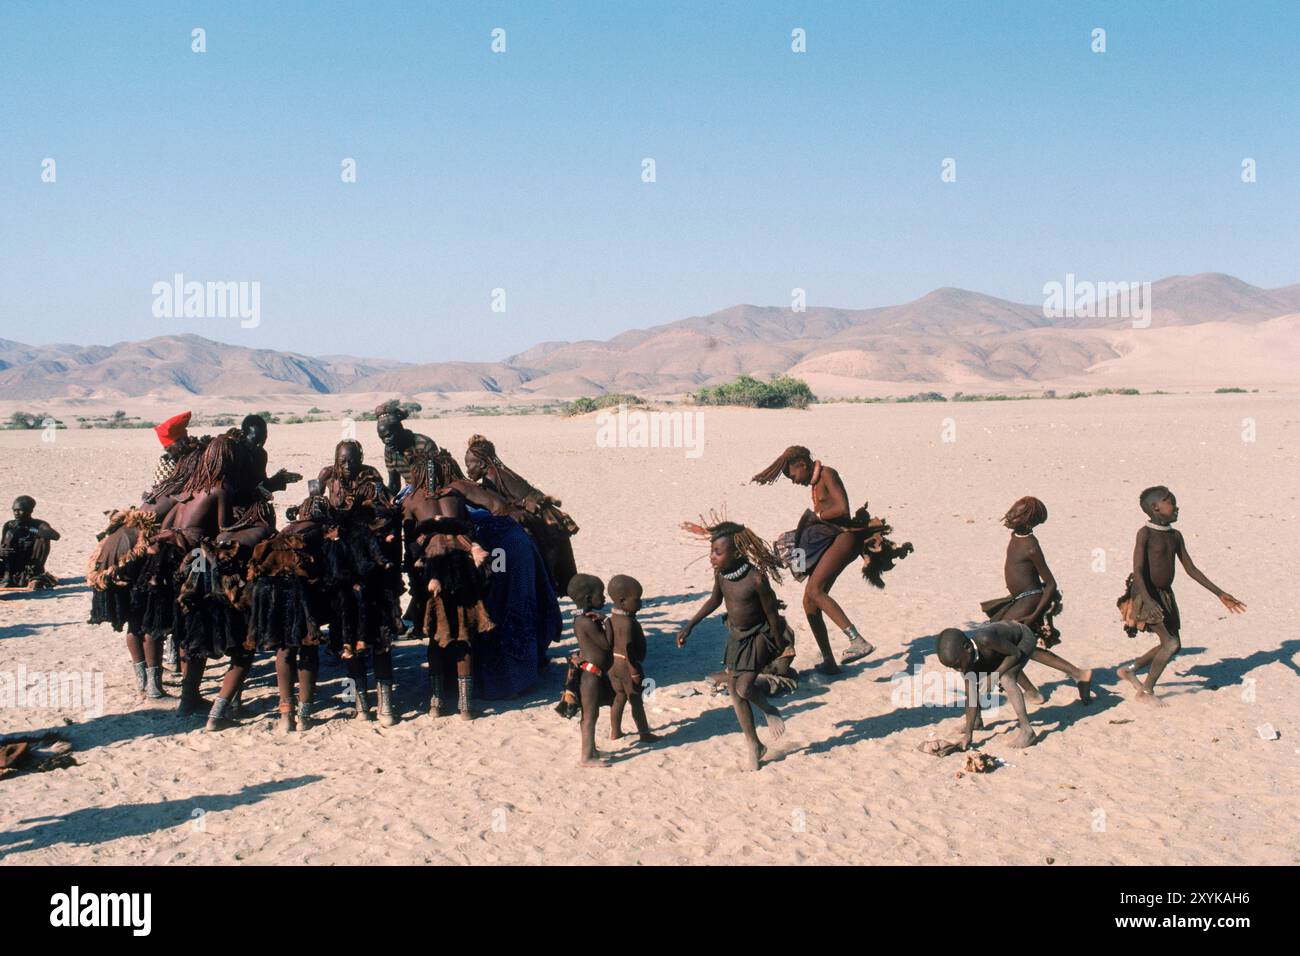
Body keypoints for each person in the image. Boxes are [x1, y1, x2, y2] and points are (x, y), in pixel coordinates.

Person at [752, 446, 913, 674]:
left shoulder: (828, 474)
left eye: (792, 475)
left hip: (844, 539)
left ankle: (857, 641)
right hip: (833, 540)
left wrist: (816, 517)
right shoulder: (815, 483)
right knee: (809, 602)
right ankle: (829, 662)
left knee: (816, 591)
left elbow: (842, 509)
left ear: (803, 465)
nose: (793, 481)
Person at [677, 515, 789, 772]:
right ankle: (754, 744)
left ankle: (769, 708)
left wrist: (779, 642)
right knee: (733, 689)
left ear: (737, 553)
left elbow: (772, 613)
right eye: (712, 552)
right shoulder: (721, 575)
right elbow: (715, 601)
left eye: (717, 552)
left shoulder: (757, 579)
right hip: (737, 636)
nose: (712, 557)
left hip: (761, 635)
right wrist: (690, 625)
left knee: (745, 687)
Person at [1116, 486, 1246, 705]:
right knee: (1171, 644)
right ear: (1155, 508)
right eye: (1171, 503)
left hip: (1165, 596)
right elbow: (1138, 570)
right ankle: (1146, 691)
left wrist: (1220, 594)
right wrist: (1148, 601)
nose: (1177, 507)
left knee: (1172, 643)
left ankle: (1130, 670)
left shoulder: (1175, 536)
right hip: (1146, 595)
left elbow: (1191, 569)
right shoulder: (1145, 533)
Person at [402, 454, 500, 719]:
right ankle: (466, 707)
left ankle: (436, 703)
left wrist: (418, 582)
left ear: (417, 474)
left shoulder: (412, 501)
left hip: (433, 578)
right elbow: (472, 527)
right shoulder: (456, 496)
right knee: (465, 635)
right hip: (464, 573)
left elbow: (410, 547)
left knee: (437, 635)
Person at [979, 496, 1091, 704]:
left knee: (999, 642)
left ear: (1029, 522)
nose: (1011, 515)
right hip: (1019, 599)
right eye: (1013, 509)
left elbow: (1050, 583)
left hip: (1029, 601)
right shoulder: (1017, 536)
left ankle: (1031, 690)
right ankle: (1077, 674)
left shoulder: (1030, 546)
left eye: (1019, 514)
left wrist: (1034, 614)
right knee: (1023, 647)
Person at [464, 434, 579, 594]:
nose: (467, 470)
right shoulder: (500, 471)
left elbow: (498, 506)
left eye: (469, 465)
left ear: (482, 464)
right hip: (546, 518)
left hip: (542, 522)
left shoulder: (492, 477)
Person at [930, 621, 1038, 754]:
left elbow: (1015, 654)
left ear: (968, 648)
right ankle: (976, 722)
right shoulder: (966, 661)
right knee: (974, 684)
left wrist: (994, 676)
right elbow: (971, 697)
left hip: (1022, 639)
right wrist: (968, 735)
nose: (957, 669)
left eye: (957, 665)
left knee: (1006, 678)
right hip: (1002, 650)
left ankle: (1027, 730)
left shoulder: (985, 639)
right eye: (952, 667)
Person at [605, 574, 660, 744]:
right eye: (637, 600)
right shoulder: (629, 623)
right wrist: (635, 671)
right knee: (636, 701)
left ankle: (615, 731)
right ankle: (644, 733)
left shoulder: (610, 619)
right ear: (622, 601)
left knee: (619, 698)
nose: (641, 603)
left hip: (613, 666)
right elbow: (629, 650)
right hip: (627, 667)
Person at [567, 573, 614, 766]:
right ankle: (585, 757)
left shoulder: (581, 618)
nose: (603, 598)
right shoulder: (587, 622)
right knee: (589, 715)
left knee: (591, 713)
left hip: (591, 672)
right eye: (600, 594)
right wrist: (607, 622)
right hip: (590, 675)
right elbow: (607, 644)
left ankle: (592, 749)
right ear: (588, 598)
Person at [1, 496, 60, 589]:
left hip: (31, 566)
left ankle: (35, 576)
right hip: (11, 565)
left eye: (20, 510)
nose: (16, 513)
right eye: (14, 510)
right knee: (10, 534)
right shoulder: (9, 525)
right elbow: (3, 546)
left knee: (43, 537)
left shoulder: (38, 524)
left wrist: (30, 529)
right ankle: (7, 577)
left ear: (30, 510)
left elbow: (55, 536)